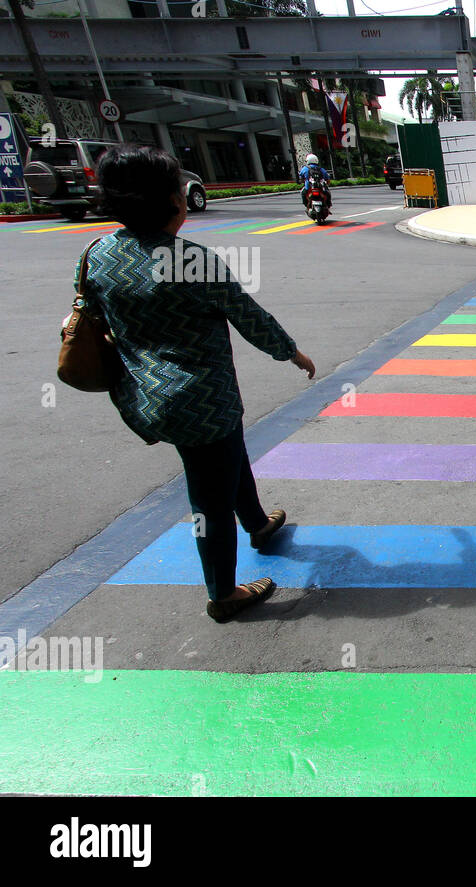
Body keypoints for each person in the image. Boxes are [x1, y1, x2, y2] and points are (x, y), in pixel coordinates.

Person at [84, 144, 316, 622]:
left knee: (227, 457)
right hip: (202, 400)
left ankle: (256, 522)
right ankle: (223, 594)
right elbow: (249, 317)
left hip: (145, 393)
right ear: (169, 201)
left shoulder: (98, 254)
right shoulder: (187, 259)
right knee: (209, 496)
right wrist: (292, 353)